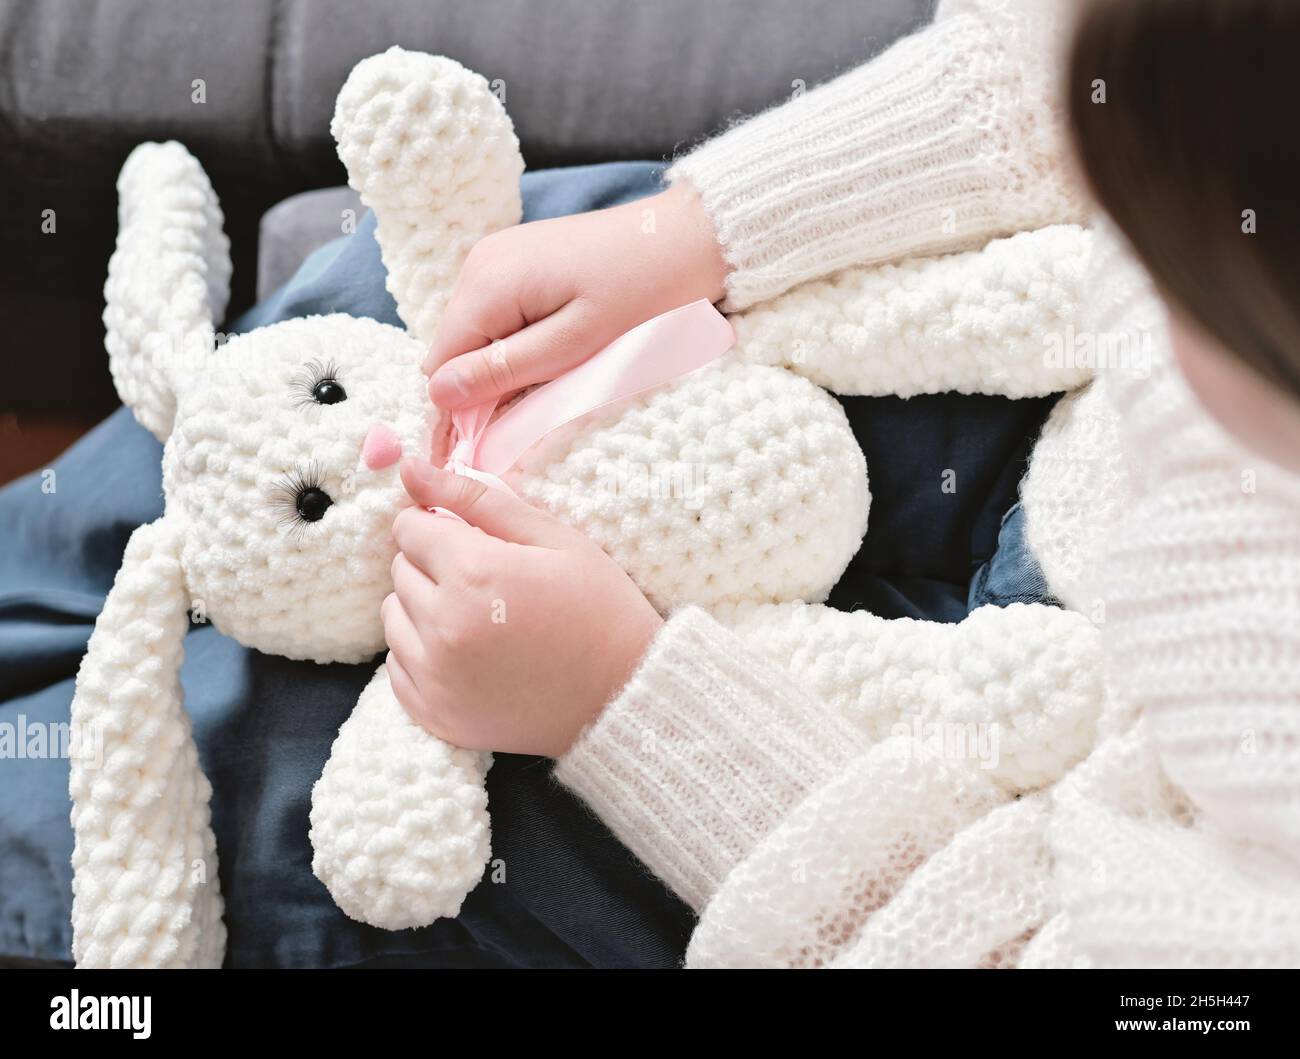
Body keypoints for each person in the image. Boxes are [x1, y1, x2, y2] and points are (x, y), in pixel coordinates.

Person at [382, 0, 1300, 966]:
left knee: (328, 802)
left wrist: (625, 706)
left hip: (992, 844)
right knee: (424, 292)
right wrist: (704, 226)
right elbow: (1114, 55)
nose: (1145, 276)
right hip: (1063, 412)